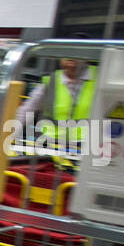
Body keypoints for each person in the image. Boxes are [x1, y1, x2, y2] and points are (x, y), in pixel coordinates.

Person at [17, 33, 98, 165]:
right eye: (66, 54)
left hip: (84, 147)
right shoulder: (51, 81)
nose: (70, 60)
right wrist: (9, 134)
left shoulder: (99, 78)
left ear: (87, 57)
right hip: (50, 145)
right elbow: (27, 109)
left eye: (75, 55)